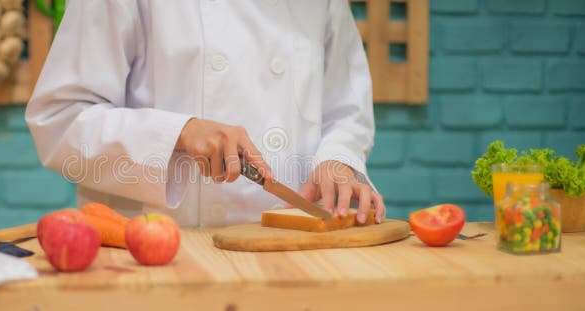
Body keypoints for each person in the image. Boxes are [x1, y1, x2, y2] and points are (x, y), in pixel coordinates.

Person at [26, 0, 386, 227]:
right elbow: (61, 119)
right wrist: (179, 133)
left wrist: (338, 159)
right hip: (156, 262)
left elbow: (345, 110)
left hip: (289, 256)